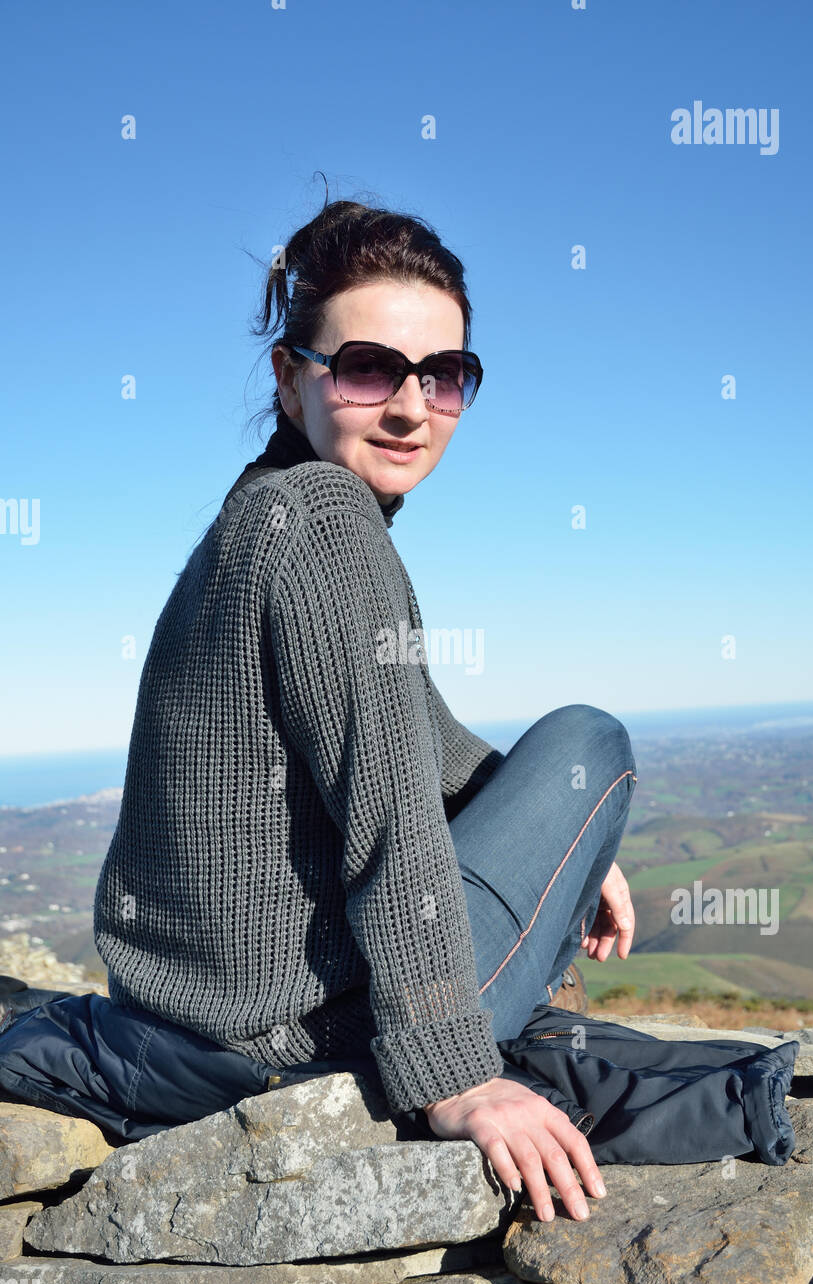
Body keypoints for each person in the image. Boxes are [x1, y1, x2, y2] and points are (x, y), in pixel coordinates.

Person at [2, 191, 642, 1226]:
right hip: (296, 1035)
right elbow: (392, 821)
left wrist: (568, 843)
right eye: (367, 368)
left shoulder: (259, 514)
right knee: (589, 741)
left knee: (558, 770)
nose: (410, 406)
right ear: (289, 376)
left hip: (178, 1016)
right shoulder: (332, 522)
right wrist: (457, 1079)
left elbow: (415, 738)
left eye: (446, 376)